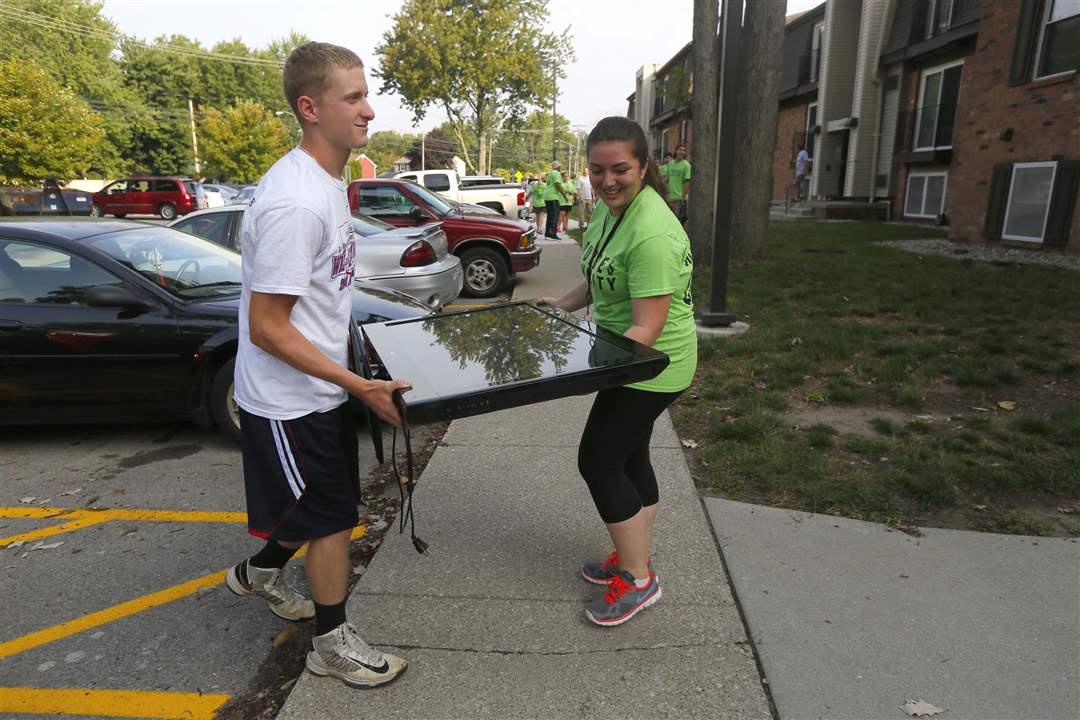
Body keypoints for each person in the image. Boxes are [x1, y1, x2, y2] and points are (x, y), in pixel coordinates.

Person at [226, 41, 410, 688]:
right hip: (288, 399)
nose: (369, 110)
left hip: (320, 388)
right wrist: (358, 384)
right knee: (331, 518)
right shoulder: (295, 203)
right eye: (353, 97)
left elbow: (320, 300)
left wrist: (354, 356)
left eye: (366, 94)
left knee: (317, 502)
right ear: (310, 108)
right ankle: (330, 646)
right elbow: (268, 327)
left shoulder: (332, 183)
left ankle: (258, 574)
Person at [537, 116, 697, 627]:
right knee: (629, 456)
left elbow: (646, 329)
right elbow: (599, 273)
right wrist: (561, 305)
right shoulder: (611, 212)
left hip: (649, 365)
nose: (607, 181)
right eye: (598, 169)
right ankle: (634, 556)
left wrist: (577, 370)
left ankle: (638, 578)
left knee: (599, 461)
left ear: (644, 166)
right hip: (622, 357)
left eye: (621, 170)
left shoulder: (652, 233)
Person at [664, 143, 691, 228]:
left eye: (684, 150)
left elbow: (687, 182)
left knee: (678, 223)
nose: (682, 152)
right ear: (676, 151)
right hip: (669, 198)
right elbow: (667, 179)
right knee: (669, 221)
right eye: (680, 149)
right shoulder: (670, 163)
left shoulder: (686, 165)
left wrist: (683, 199)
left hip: (679, 198)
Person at [543, 160, 565, 239]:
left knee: (550, 215)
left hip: (547, 196)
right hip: (553, 196)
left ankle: (547, 233)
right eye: (560, 166)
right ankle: (552, 234)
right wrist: (564, 195)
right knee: (555, 215)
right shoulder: (556, 173)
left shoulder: (550, 173)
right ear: (558, 166)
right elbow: (557, 184)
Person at [559, 170, 575, 234]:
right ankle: (558, 226)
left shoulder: (571, 183)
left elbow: (574, 191)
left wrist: (573, 197)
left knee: (567, 214)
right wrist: (568, 191)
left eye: (567, 176)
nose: (566, 177)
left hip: (569, 201)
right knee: (562, 213)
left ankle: (565, 226)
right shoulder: (560, 183)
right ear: (562, 177)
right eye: (564, 176)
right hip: (562, 201)